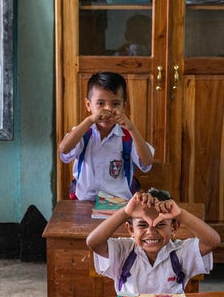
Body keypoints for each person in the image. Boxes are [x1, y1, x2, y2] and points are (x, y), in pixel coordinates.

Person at [86, 189, 219, 295]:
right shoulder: (124, 250)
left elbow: (212, 242)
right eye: (142, 225)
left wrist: (180, 214)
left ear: (174, 227)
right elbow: (93, 243)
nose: (151, 231)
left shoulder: (180, 253)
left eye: (160, 224)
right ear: (131, 229)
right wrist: (125, 212)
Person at [59, 71, 153, 201]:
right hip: (85, 201)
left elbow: (147, 161)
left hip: (119, 203)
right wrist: (89, 120)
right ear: (88, 105)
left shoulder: (128, 136)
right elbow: (64, 149)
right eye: (100, 103)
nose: (108, 109)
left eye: (115, 104)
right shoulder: (83, 133)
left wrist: (132, 129)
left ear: (124, 106)